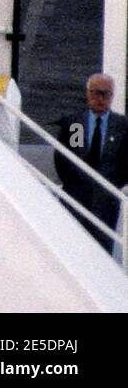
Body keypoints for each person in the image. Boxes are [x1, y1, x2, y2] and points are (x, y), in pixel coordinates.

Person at [55, 73, 128, 253]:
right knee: (73, 248)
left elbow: (126, 162)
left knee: (102, 251)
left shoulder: (122, 125)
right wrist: (76, 185)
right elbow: (65, 160)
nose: (100, 99)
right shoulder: (76, 124)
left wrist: (109, 185)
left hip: (106, 201)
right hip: (76, 198)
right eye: (96, 93)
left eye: (106, 94)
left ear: (112, 96)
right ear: (88, 93)